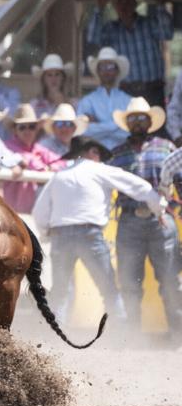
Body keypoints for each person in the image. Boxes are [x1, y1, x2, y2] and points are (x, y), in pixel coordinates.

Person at [32, 136, 163, 324]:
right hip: (89, 234)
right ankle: (121, 332)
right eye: (99, 153)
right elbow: (138, 186)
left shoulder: (59, 176)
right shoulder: (100, 170)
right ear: (93, 152)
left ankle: (54, 333)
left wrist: (45, 234)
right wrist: (158, 207)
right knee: (108, 288)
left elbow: (39, 212)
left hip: (61, 235)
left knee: (61, 291)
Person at [108, 97, 181, 334]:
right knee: (129, 282)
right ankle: (131, 336)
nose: (137, 122)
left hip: (162, 220)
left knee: (170, 279)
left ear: (150, 122)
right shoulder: (116, 153)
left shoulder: (167, 147)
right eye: (133, 118)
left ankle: (178, 335)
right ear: (127, 123)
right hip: (129, 220)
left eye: (141, 118)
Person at [87, 0, 173, 107]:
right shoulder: (110, 29)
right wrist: (99, 9)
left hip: (153, 90)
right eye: (119, 2)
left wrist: (160, 4)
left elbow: (167, 33)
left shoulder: (149, 23)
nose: (124, 6)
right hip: (126, 91)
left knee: (157, 118)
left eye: (127, 1)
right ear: (114, 7)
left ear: (134, 3)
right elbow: (92, 38)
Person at [3, 104, 65, 213]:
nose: (27, 131)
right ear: (15, 130)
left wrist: (51, 167)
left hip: (33, 210)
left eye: (31, 127)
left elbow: (62, 162)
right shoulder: (6, 147)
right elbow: (26, 158)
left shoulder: (39, 148)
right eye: (22, 127)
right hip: (10, 210)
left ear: (36, 129)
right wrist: (44, 168)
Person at [78, 47, 132, 150]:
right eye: (102, 67)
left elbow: (129, 133)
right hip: (95, 155)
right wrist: (119, 124)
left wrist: (98, 124)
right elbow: (83, 131)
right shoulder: (87, 101)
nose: (106, 71)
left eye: (110, 67)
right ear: (98, 71)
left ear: (117, 71)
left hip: (122, 154)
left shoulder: (129, 101)